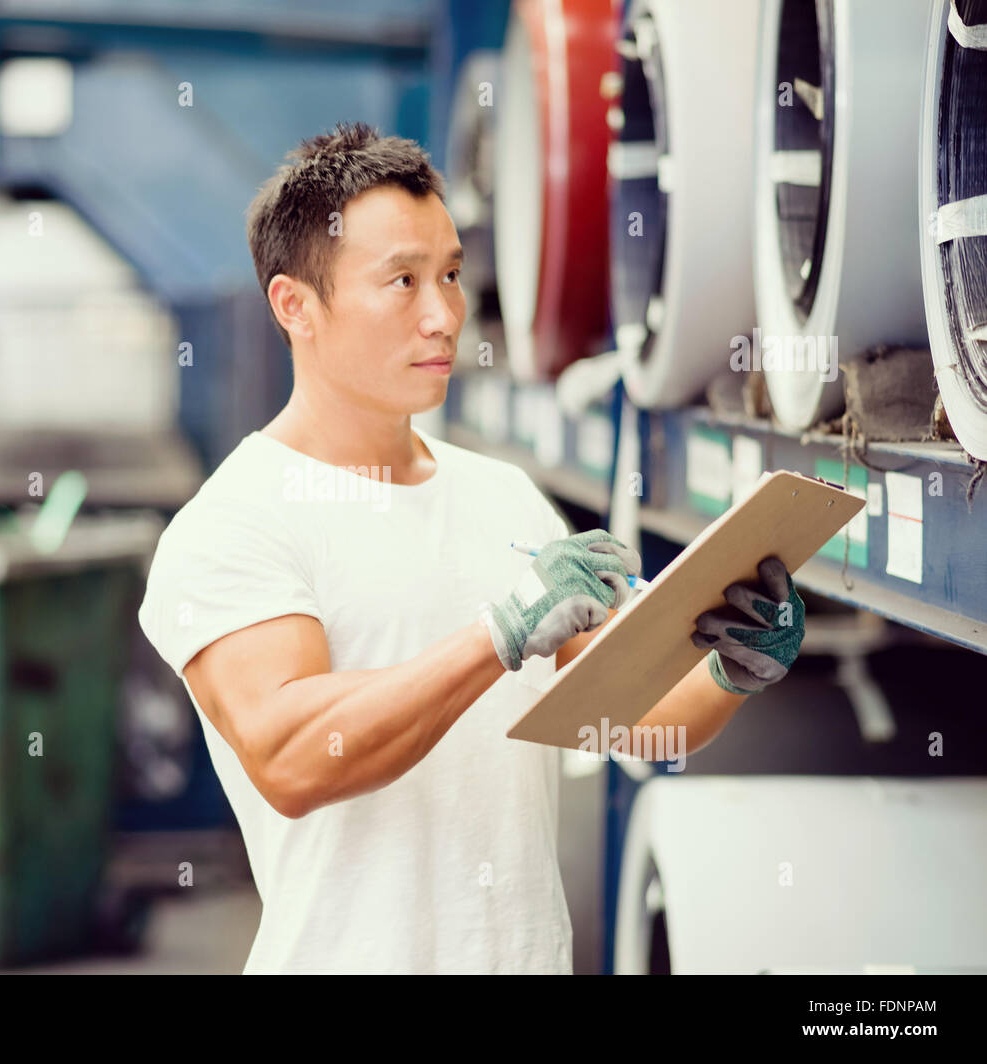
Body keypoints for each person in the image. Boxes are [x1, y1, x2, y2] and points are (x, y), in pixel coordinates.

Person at [136, 121, 805, 974]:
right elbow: (296, 757)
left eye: (450, 274)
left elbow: (623, 720)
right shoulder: (233, 524)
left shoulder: (500, 496)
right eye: (402, 281)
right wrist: (497, 635)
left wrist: (726, 671)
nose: (442, 314)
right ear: (294, 306)